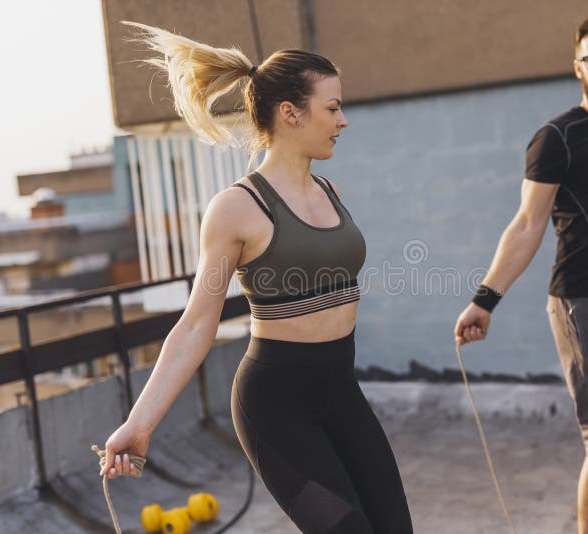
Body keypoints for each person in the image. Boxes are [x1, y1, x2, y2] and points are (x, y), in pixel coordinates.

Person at [100, 22, 413, 534]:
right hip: (275, 408)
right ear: (291, 113)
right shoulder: (236, 209)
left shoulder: (329, 189)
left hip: (342, 393)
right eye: (332, 107)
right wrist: (139, 424)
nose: (343, 120)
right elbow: (197, 324)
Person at [453, 14, 588, 534]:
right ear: (577, 67)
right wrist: (485, 298)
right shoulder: (556, 138)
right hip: (582, 303)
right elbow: (527, 224)